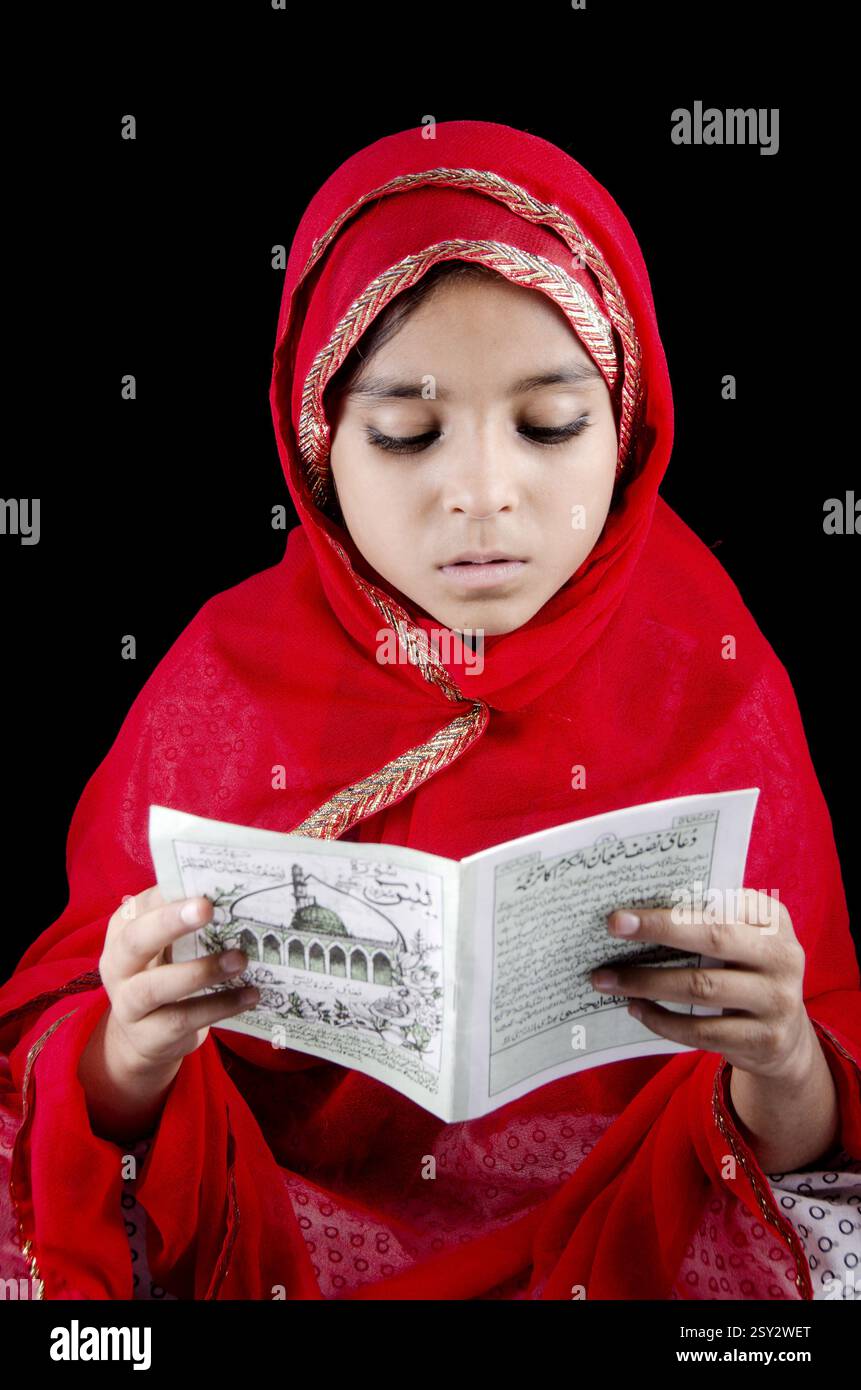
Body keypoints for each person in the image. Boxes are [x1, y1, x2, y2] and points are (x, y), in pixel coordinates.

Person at [1, 119, 859, 1302]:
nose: (484, 495)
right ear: (316, 447)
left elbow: (814, 1133)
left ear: (628, 422)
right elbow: (67, 1075)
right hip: (282, 1243)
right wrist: (128, 1051)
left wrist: (782, 1059)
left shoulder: (713, 678)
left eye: (551, 425)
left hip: (636, 1245)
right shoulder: (224, 684)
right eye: (406, 432)